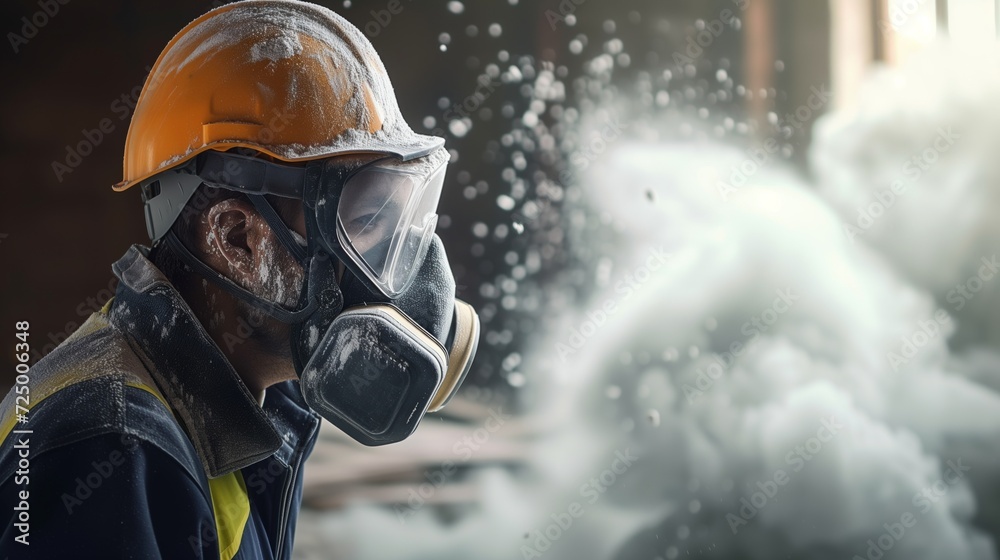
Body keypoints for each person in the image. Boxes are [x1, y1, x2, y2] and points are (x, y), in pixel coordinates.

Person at [0, 1, 480, 558]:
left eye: (397, 217)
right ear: (237, 239)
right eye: (365, 222)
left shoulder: (244, 407)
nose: (396, 268)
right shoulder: (111, 448)